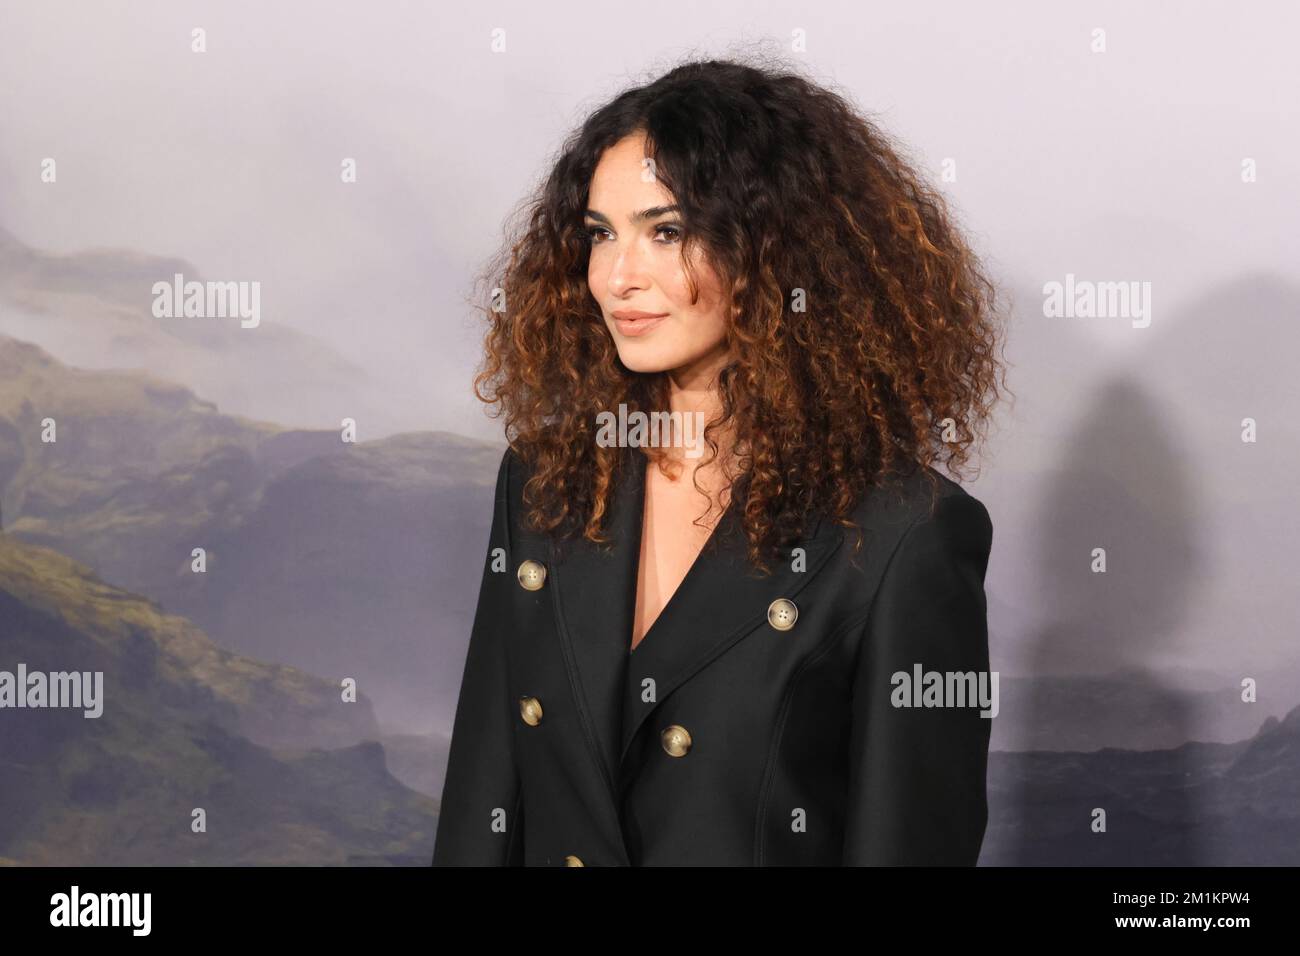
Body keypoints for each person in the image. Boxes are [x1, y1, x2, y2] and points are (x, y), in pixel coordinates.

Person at [432, 56, 1008, 866]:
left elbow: (907, 843)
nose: (617, 277)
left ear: (779, 249)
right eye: (601, 235)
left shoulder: (906, 534)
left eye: (666, 232)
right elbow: (482, 805)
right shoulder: (545, 484)